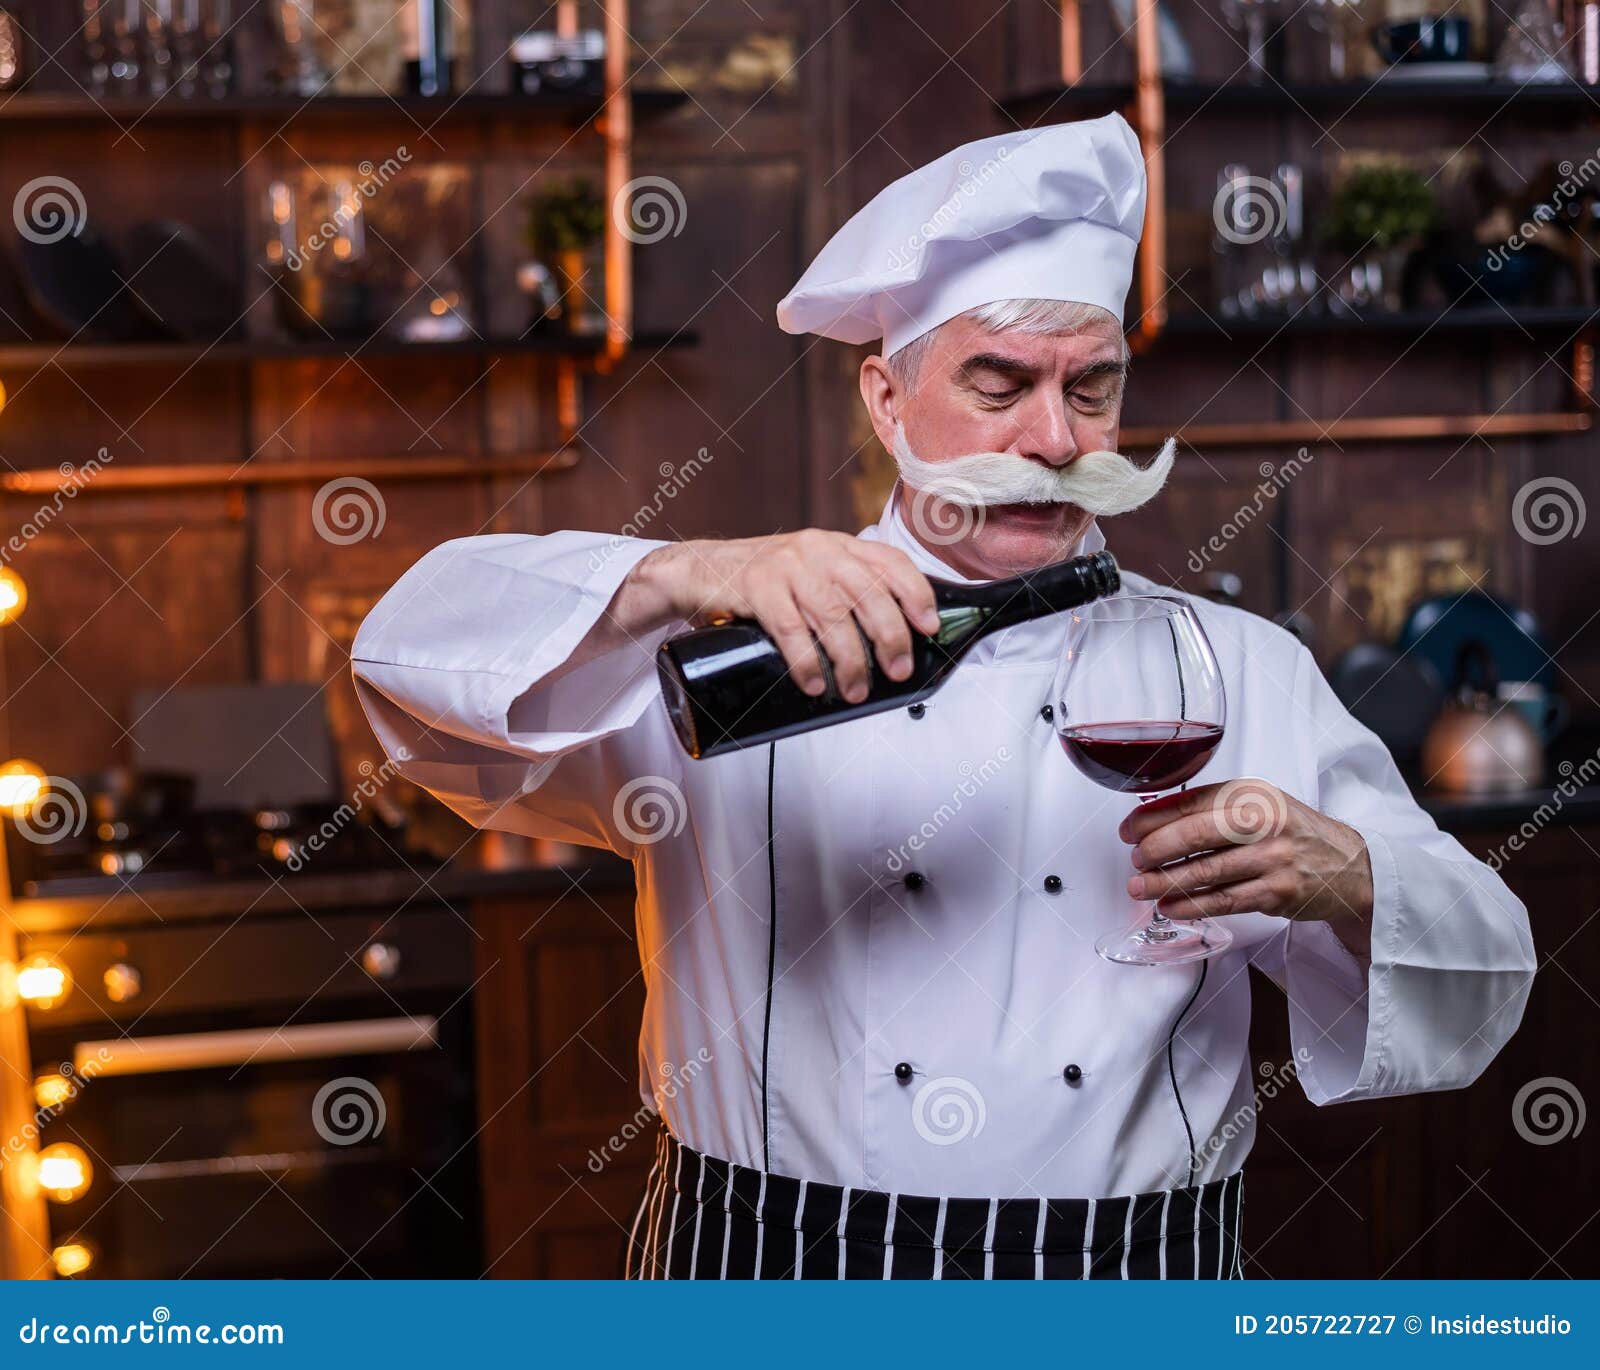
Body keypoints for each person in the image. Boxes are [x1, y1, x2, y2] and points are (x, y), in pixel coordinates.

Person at [352, 114, 1536, 1280]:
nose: (1052, 438)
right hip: (773, 1266)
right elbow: (402, 665)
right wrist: (683, 572)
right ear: (885, 398)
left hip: (1125, 1275)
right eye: (998, 382)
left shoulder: (1232, 662)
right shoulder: (733, 645)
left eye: (1092, 387)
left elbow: (1487, 961)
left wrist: (1348, 876)